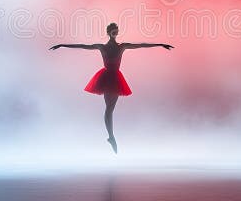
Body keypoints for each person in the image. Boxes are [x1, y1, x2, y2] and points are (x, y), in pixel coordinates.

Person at [50, 22, 173, 153]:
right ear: (108, 33)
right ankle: (111, 136)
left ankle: (111, 136)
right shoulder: (102, 47)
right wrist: (62, 45)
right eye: (113, 30)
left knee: (110, 109)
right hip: (107, 78)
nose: (115, 32)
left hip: (114, 78)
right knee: (109, 109)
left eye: (116, 30)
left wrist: (160, 44)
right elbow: (83, 46)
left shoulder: (122, 46)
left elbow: (141, 45)